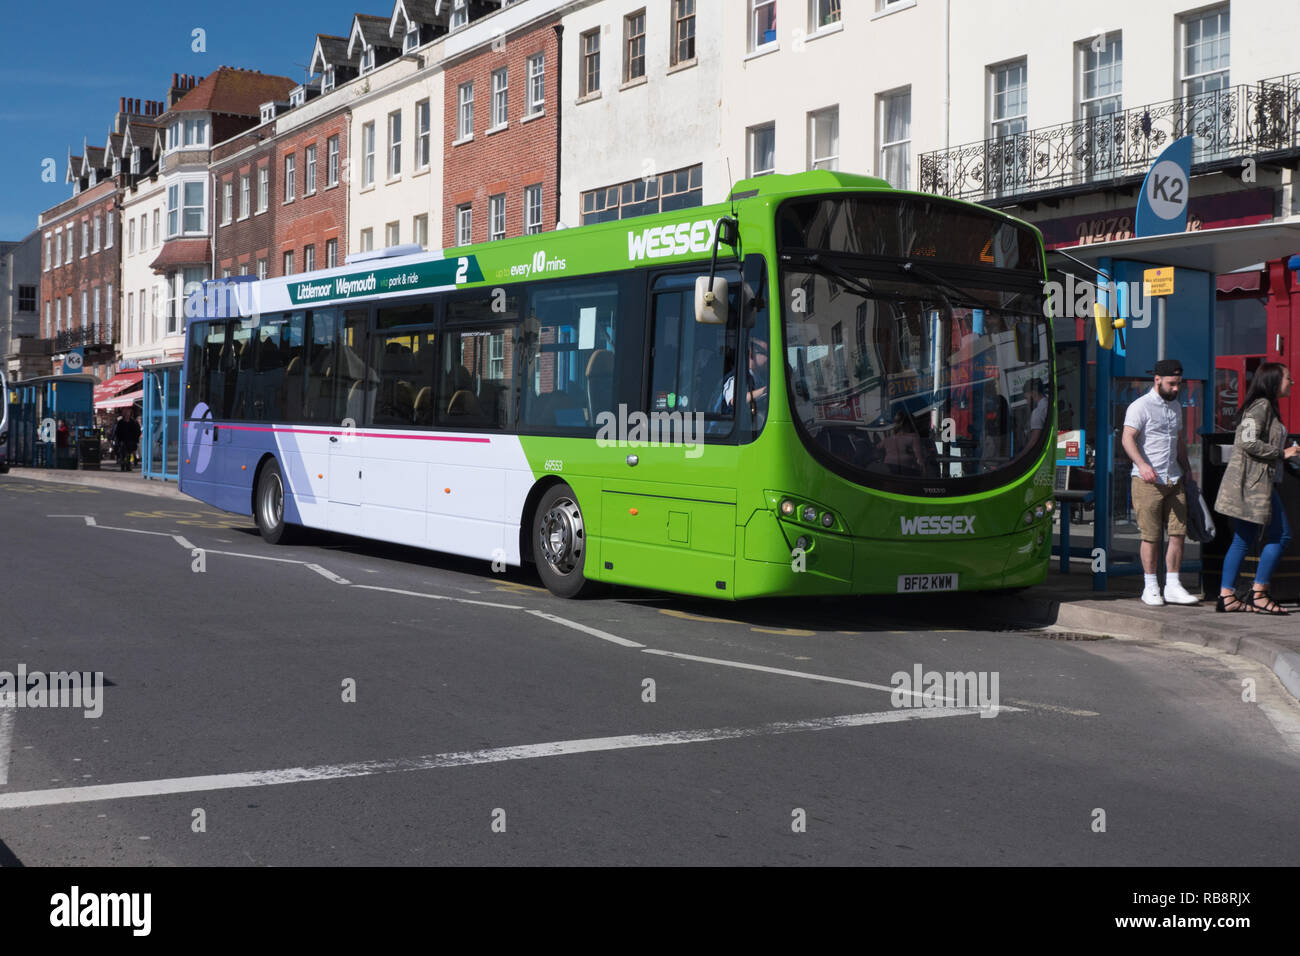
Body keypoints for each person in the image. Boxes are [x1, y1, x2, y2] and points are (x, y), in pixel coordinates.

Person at [1213, 363, 1299, 614]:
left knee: (1243, 539)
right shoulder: (1261, 406)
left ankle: (1227, 596)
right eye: (1288, 377)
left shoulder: (1266, 407)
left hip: (1259, 483)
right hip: (1254, 486)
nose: (1291, 382)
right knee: (1281, 535)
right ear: (1273, 380)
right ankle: (1258, 593)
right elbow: (1247, 441)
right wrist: (1282, 453)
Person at [1121, 358, 1198, 606]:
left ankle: (1173, 585)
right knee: (1151, 536)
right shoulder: (1139, 406)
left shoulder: (1175, 406)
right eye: (1172, 384)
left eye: (1179, 384)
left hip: (1174, 478)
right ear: (1157, 380)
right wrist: (1142, 465)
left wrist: (1187, 469)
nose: (1177, 389)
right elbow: (1127, 439)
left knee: (1178, 533)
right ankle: (1151, 586)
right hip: (1147, 482)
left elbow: (1178, 441)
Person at [1023, 378, 1049, 450]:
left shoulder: (1037, 412)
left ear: (1033, 393)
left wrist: (1017, 459)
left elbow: (1033, 442)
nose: (1027, 402)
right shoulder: (1050, 403)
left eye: (1027, 398)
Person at [115, 407, 141, 472]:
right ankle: (123, 466)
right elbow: (117, 432)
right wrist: (118, 440)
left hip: (131, 441)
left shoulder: (134, 422)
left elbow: (138, 431)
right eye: (125, 412)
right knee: (123, 454)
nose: (126, 414)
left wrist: (135, 439)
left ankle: (128, 466)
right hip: (122, 441)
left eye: (128, 412)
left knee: (128, 454)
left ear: (130, 413)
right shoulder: (120, 422)